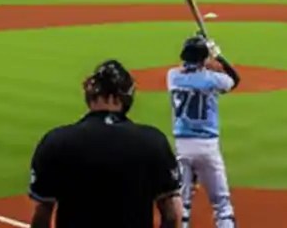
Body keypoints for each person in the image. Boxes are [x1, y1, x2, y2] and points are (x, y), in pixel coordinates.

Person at [28, 60, 183, 228]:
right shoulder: (154, 142)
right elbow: (171, 214)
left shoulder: (56, 142)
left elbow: (42, 214)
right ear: (127, 96)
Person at [168, 36, 240, 228]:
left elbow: (188, 69)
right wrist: (217, 55)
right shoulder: (211, 79)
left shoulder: (172, 76)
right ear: (203, 58)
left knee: (182, 205)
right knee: (222, 205)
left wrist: (203, 57)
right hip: (208, 147)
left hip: (182, 146)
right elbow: (234, 80)